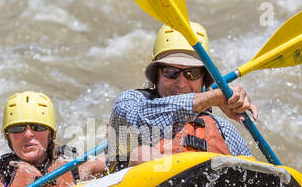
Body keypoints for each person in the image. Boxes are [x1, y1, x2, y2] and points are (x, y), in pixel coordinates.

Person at [108, 23, 257, 167]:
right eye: (171, 72)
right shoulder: (131, 101)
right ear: (156, 75)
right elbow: (133, 121)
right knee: (143, 155)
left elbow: (253, 176)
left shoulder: (224, 129)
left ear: (204, 80)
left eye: (192, 74)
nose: (181, 84)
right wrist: (214, 98)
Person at [0, 91, 105, 187]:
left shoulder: (79, 168)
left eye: (38, 127)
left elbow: (124, 166)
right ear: (8, 136)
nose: (28, 134)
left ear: (50, 134)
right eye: (17, 128)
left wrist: (122, 139)